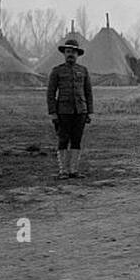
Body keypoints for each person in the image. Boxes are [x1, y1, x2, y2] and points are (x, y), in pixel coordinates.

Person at [46, 35, 94, 178]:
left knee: (76, 139)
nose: (70, 55)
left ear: (77, 54)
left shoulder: (83, 71)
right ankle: (63, 171)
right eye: (68, 52)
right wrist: (53, 112)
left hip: (80, 111)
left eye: (73, 52)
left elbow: (88, 92)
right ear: (64, 54)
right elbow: (50, 93)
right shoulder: (57, 71)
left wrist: (89, 112)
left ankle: (73, 170)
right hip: (63, 111)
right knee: (63, 139)